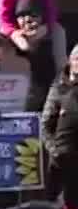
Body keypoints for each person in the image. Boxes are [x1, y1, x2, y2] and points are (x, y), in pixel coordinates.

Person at [41, 47, 78, 198]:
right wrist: (54, 151)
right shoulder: (58, 87)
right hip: (61, 157)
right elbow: (45, 124)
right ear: (71, 61)